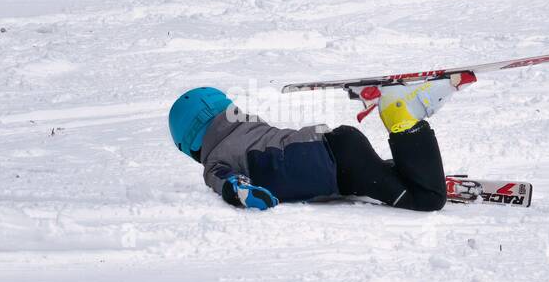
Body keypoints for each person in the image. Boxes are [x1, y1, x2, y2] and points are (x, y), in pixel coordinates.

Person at [167, 75, 473, 211]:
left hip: (340, 168)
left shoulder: (215, 163)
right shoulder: (247, 124)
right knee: (385, 176)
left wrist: (245, 195)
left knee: (428, 199)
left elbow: (230, 185)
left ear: (189, 144)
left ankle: (401, 113)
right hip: (337, 144)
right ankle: (414, 167)